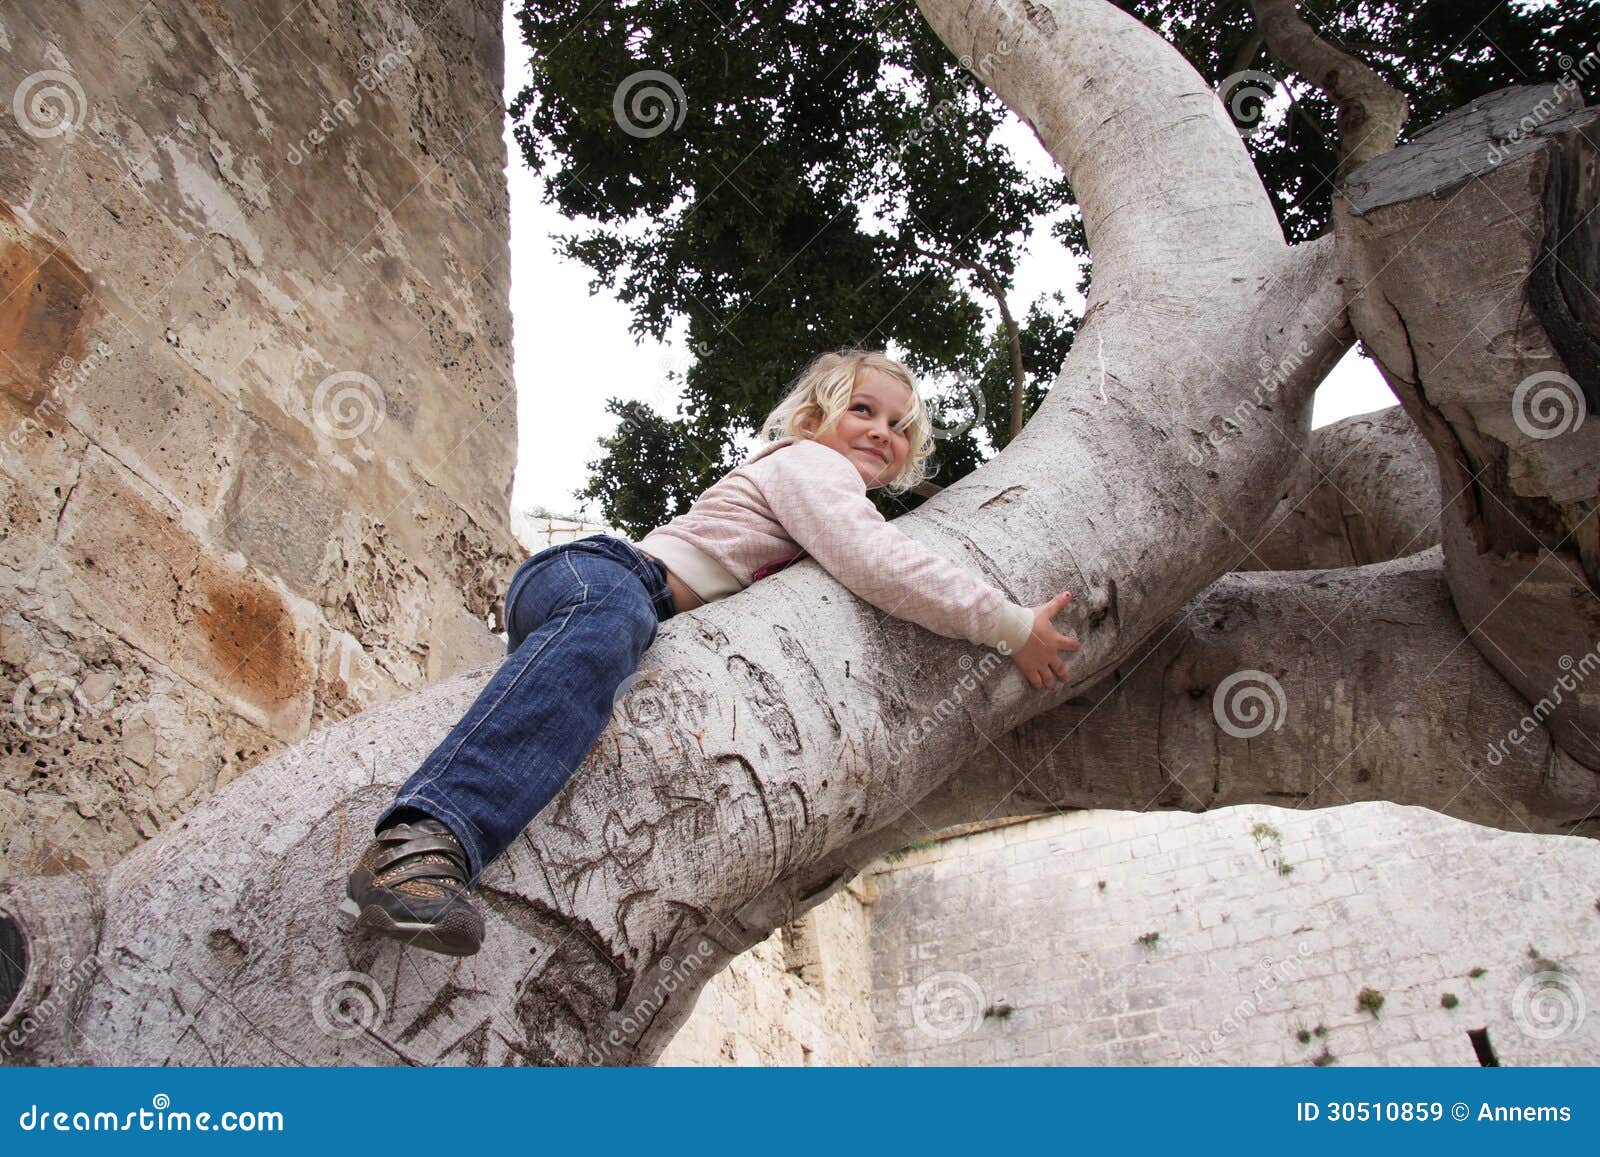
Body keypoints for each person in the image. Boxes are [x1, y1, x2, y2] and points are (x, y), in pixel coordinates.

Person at [339, 348, 1082, 956]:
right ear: (815, 417)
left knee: (599, 658)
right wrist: (1010, 625)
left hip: (626, 601)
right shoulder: (808, 466)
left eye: (899, 426)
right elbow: (879, 561)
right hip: (606, 576)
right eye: (864, 409)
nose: (883, 431)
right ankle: (418, 846)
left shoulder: (817, 482)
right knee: (608, 625)